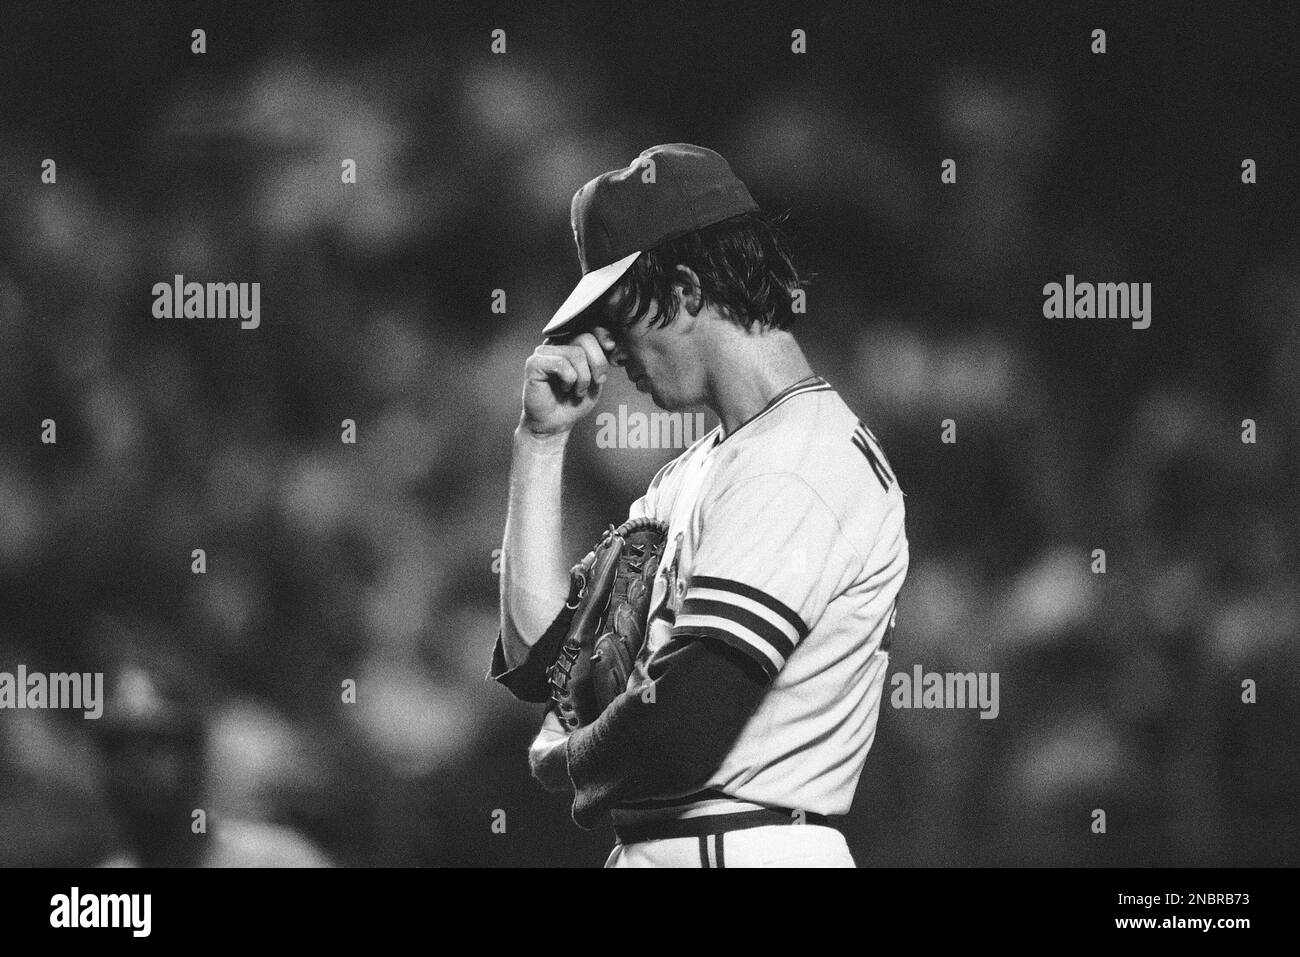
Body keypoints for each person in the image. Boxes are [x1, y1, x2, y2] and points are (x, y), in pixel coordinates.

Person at [491, 144, 909, 867]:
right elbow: (552, 667)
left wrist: (565, 764)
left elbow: (679, 730)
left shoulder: (800, 462)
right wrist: (541, 443)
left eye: (618, 313)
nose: (608, 345)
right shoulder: (697, 470)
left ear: (684, 292)